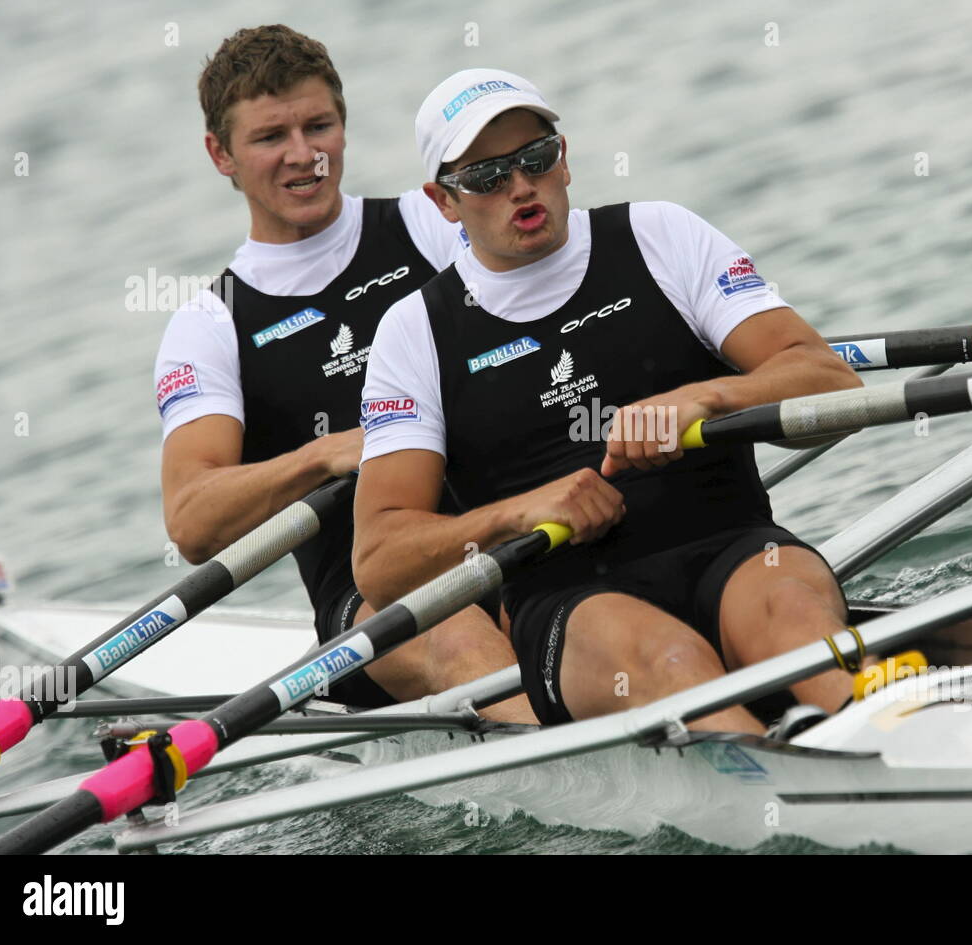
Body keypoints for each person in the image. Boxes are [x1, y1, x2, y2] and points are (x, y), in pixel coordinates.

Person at [353, 69, 863, 732]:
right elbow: (379, 563)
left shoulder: (661, 235)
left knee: (795, 614)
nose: (519, 185)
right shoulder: (414, 331)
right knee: (668, 658)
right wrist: (519, 513)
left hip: (736, 550)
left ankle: (880, 731)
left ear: (564, 160)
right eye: (486, 176)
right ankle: (780, 779)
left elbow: (832, 382)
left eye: (535, 157)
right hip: (572, 600)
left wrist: (708, 396)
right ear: (444, 201)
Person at [155, 28, 531, 720]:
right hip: (371, 601)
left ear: (343, 127)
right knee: (458, 634)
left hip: (518, 529)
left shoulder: (428, 220)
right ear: (221, 154)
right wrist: (327, 454)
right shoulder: (211, 325)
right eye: (271, 137)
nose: (305, 156)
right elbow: (191, 520)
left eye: (319, 125)